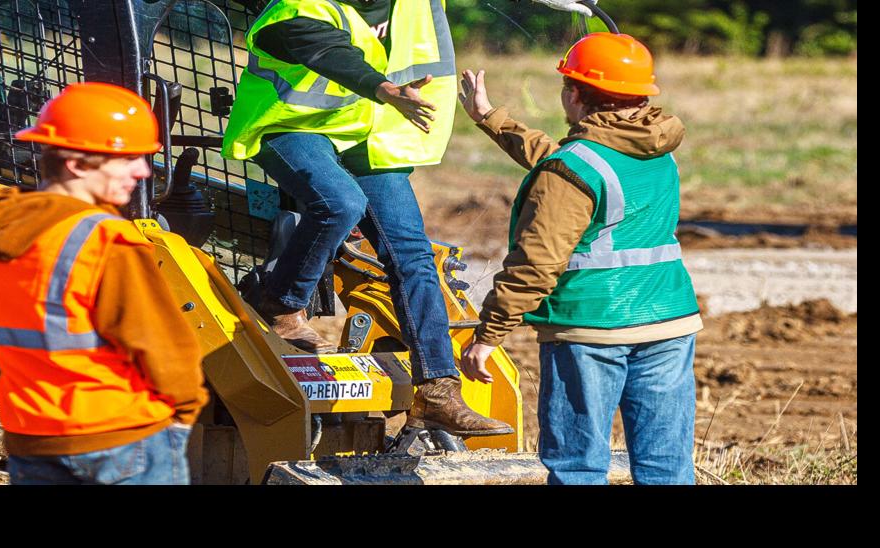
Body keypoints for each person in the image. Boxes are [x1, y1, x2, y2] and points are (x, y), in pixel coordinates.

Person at [222, 0, 510, 437]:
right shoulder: (296, 10)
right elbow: (326, 52)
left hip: (362, 135)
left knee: (413, 254)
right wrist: (387, 90)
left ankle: (437, 391)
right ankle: (281, 302)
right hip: (287, 127)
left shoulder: (412, 8)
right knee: (339, 202)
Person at [458, 33, 701, 484]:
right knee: (667, 467)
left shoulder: (575, 168)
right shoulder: (654, 143)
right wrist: (492, 119)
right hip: (670, 321)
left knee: (578, 468)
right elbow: (566, 163)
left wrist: (489, 336)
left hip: (591, 328)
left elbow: (535, 264)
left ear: (574, 94)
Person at [0, 82, 209, 485]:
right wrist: (183, 410)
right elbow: (162, 345)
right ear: (77, 162)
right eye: (127, 159)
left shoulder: (2, 231)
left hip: (33, 437)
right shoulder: (107, 240)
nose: (143, 171)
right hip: (121, 436)